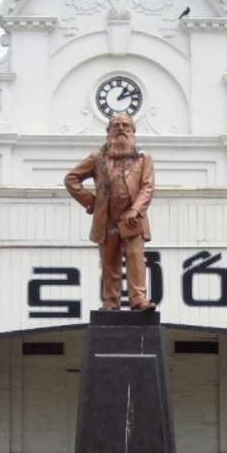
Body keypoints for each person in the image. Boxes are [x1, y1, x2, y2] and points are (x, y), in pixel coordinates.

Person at [64, 113, 157, 311]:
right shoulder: (97, 158)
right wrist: (92, 202)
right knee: (109, 260)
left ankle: (138, 299)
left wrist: (135, 209)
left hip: (132, 218)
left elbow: (147, 188)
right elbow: (71, 179)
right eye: (117, 126)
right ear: (108, 132)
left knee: (135, 257)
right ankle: (111, 301)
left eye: (126, 126)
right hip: (107, 218)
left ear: (133, 132)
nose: (121, 129)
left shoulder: (143, 159)